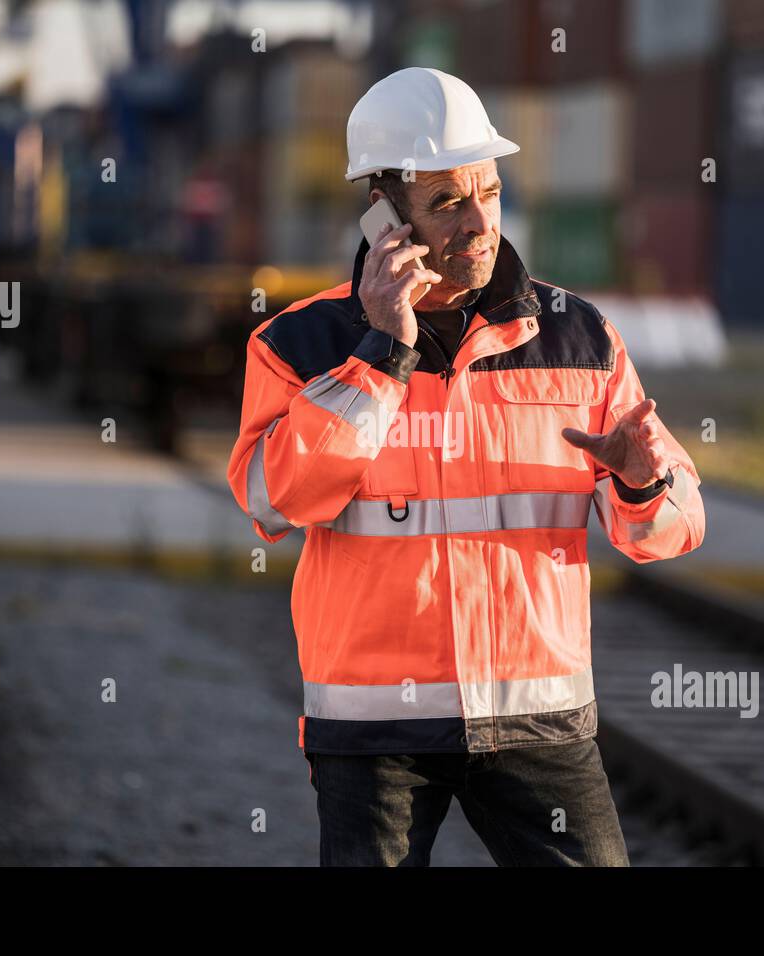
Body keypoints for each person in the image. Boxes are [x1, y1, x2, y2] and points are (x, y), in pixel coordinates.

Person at [227, 67, 705, 866]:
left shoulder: (578, 339)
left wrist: (639, 481)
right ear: (383, 211)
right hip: (374, 728)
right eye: (448, 200)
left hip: (538, 716)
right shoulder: (297, 347)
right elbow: (274, 500)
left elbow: (672, 528)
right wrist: (379, 358)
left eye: (487, 190)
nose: (480, 221)